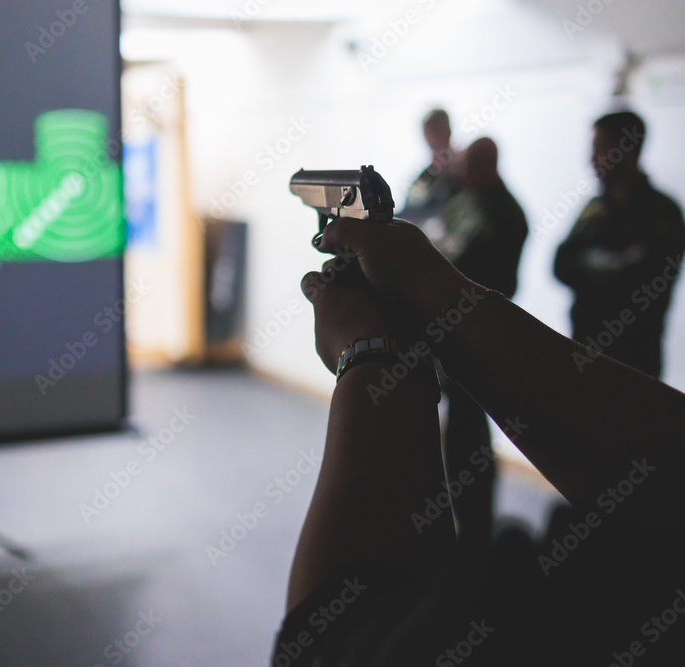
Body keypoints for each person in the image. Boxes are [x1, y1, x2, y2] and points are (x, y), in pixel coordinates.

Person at [271, 216, 685, 666]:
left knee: (473, 458)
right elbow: (664, 470)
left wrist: (369, 349)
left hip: (627, 351)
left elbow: (326, 646)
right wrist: (429, 292)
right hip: (578, 352)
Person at [433, 137, 528, 552]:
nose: (461, 172)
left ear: (488, 165)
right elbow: (436, 243)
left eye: (469, 165)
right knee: (459, 433)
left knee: (471, 436)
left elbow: (477, 271)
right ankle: (464, 522)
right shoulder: (465, 200)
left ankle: (476, 528)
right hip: (453, 334)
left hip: (482, 337)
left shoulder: (505, 213)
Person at [554, 110, 685, 378]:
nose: (591, 159)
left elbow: (642, 282)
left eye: (599, 148)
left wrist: (590, 268)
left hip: (634, 365)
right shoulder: (594, 209)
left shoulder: (662, 212)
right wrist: (614, 262)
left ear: (624, 150)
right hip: (584, 355)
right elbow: (560, 265)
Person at [399, 109, 462, 236]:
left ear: (448, 132)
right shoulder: (422, 179)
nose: (433, 143)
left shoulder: (465, 173)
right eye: (430, 137)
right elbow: (408, 215)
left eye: (437, 134)